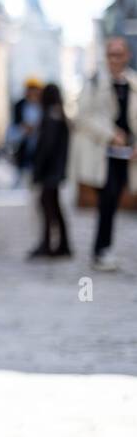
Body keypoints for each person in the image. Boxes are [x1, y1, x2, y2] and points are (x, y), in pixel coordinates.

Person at [73, 36, 136, 271]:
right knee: (107, 200)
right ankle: (101, 250)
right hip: (104, 154)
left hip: (129, 155)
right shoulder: (95, 82)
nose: (115, 59)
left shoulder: (133, 83)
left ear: (127, 56)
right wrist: (110, 134)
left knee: (116, 199)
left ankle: (103, 249)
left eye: (119, 54)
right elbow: (82, 116)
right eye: (111, 54)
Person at [27, 83, 71, 259]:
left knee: (47, 208)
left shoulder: (51, 116)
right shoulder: (58, 115)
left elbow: (47, 147)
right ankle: (62, 245)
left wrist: (38, 171)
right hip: (55, 171)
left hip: (49, 172)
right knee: (54, 208)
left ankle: (47, 244)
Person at [10, 78, 44, 185]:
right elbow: (14, 128)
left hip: (40, 148)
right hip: (23, 147)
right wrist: (24, 128)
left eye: (35, 89)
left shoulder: (44, 105)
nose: (33, 92)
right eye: (30, 89)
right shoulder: (19, 106)